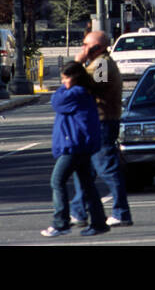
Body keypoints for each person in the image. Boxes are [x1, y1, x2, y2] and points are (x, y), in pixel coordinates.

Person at [70, 31, 132, 228]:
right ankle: (79, 211)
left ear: (96, 47)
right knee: (84, 169)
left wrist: (77, 64)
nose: (83, 48)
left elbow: (92, 86)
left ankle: (121, 212)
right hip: (94, 122)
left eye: (86, 45)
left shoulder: (102, 64)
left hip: (103, 122)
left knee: (106, 166)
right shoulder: (98, 63)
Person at [44, 61, 108, 237]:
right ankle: (99, 222)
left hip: (74, 145)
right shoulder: (83, 93)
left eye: (65, 79)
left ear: (74, 78)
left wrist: (63, 89)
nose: (63, 83)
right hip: (81, 145)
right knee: (87, 185)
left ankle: (61, 223)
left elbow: (56, 101)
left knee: (57, 181)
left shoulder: (76, 93)